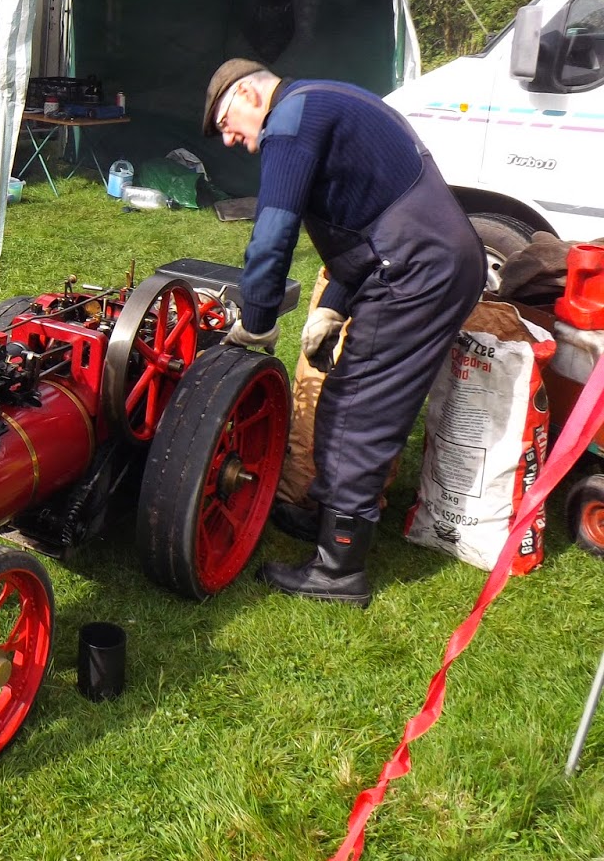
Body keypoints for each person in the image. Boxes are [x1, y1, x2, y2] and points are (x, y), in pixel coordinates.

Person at [203, 57, 483, 607]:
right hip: (417, 257)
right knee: (350, 400)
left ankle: (340, 569)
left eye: (225, 123)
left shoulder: (290, 120)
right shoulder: (321, 98)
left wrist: (255, 325)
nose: (232, 140)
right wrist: (333, 301)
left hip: (414, 269)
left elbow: (272, 233)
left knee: (360, 407)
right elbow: (360, 216)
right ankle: (330, 518)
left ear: (249, 94)